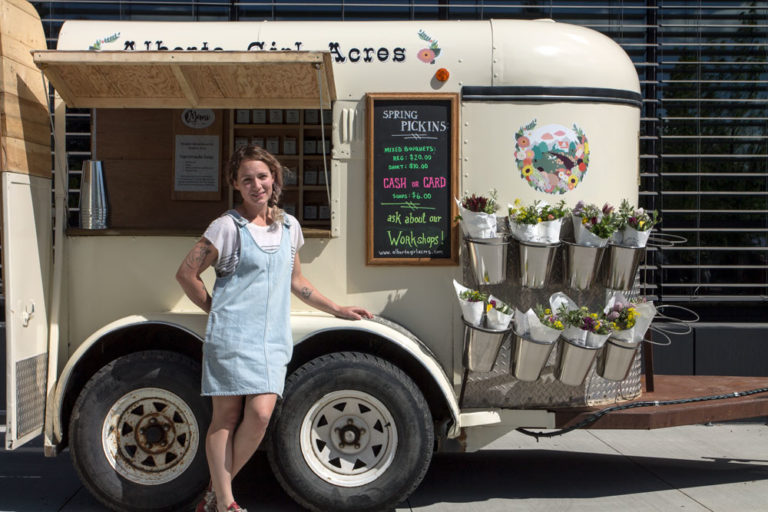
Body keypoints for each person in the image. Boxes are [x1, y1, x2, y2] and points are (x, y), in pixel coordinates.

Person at [176, 144, 373, 512]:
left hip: (272, 340)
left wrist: (337, 309)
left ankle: (214, 493)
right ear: (235, 184)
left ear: (274, 179)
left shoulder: (289, 226)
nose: (256, 185)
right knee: (226, 418)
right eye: (247, 179)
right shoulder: (225, 227)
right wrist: (216, 310)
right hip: (232, 339)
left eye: (262, 177)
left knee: (261, 415)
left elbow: (296, 281)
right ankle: (226, 503)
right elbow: (186, 274)